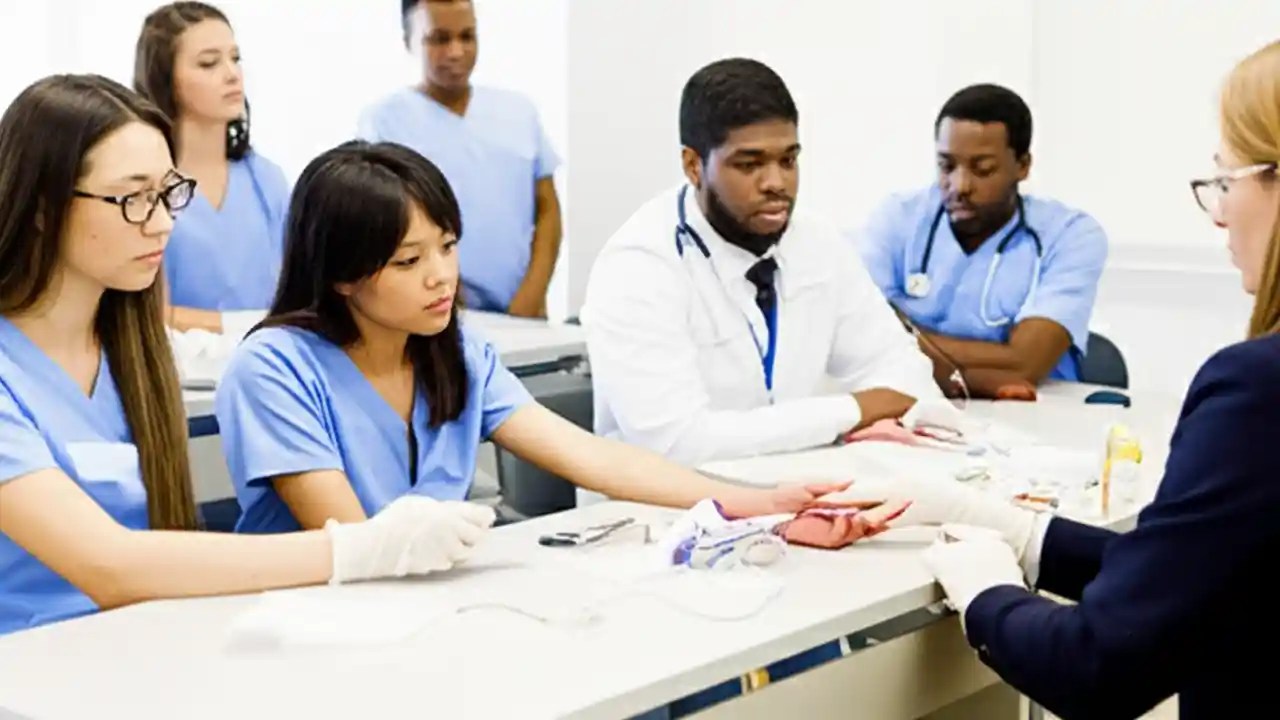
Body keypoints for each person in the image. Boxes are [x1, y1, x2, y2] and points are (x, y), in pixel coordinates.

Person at [837, 41, 1280, 720]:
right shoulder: (897, 218)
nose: (1218, 212)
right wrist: (1013, 529)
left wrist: (988, 594)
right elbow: (1195, 571)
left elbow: (1097, 662)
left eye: (1224, 180)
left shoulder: (1256, 391)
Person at [0, 74, 502, 636]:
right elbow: (109, 566)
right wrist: (363, 547)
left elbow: (161, 555)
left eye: (167, 193)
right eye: (133, 198)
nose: (163, 222)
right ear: (42, 206)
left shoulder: (130, 354)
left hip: (137, 641)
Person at [213, 140, 849, 538]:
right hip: (311, 622)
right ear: (342, 275)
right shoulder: (274, 369)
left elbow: (597, 459)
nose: (442, 276)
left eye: (448, 246)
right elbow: (355, 543)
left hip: (424, 607)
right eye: (409, 261)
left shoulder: (455, 352)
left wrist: (759, 503)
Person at [581, 58, 943, 473]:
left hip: (793, 490)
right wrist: (853, 411)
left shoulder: (817, 241)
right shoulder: (639, 265)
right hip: (659, 504)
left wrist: (871, 414)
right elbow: (676, 442)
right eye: (749, 164)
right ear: (694, 166)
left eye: (788, 160)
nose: (776, 183)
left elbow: (905, 374)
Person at [856, 84, 1107, 396]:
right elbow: (858, 340)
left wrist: (905, 343)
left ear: (1023, 166)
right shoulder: (898, 219)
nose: (960, 185)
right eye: (946, 166)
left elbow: (1025, 364)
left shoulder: (1069, 236)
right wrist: (983, 380)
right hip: (916, 403)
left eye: (983, 169)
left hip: (1033, 408)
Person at [357, 0, 561, 318]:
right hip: (430, 312)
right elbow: (382, 226)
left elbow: (548, 210)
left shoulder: (518, 112)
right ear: (409, 41)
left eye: (467, 36)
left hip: (521, 313)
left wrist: (531, 296)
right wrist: (444, 294)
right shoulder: (384, 122)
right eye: (439, 39)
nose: (456, 52)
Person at [134, 2, 291, 337]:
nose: (232, 74)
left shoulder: (268, 181)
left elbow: (299, 298)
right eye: (209, 63)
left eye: (235, 58)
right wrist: (243, 326)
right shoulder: (143, 189)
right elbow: (145, 314)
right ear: (165, 79)